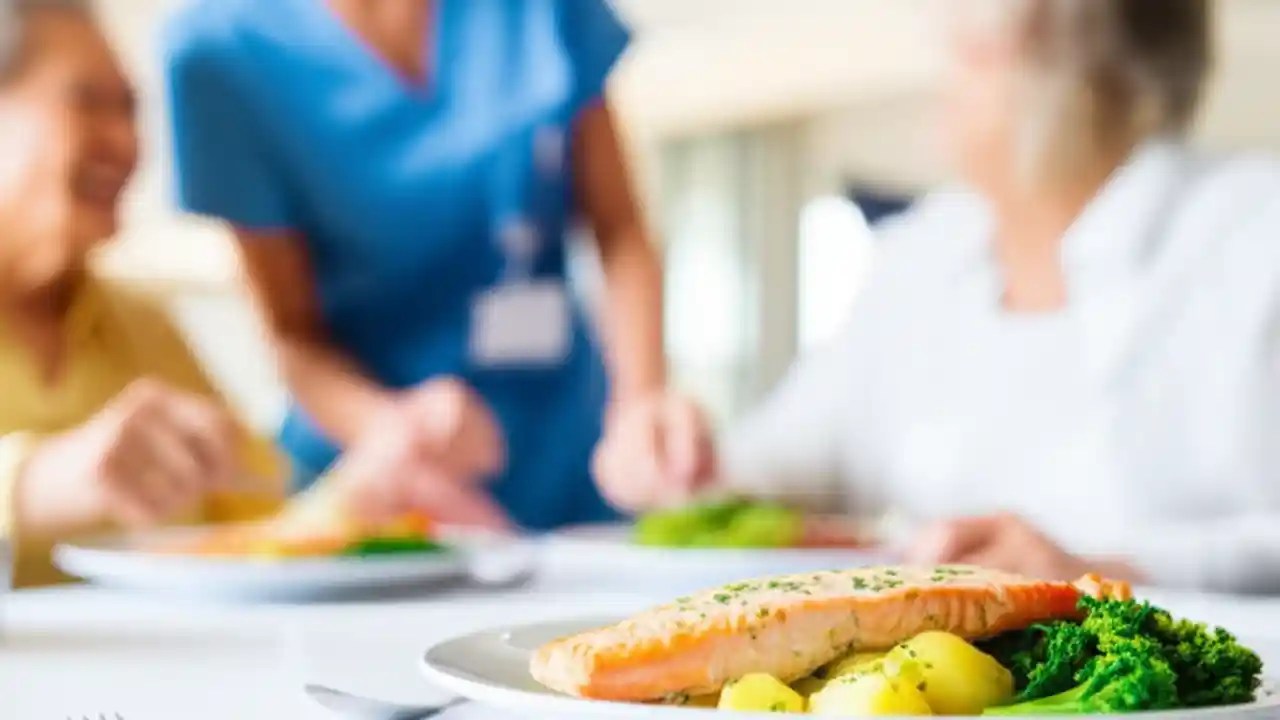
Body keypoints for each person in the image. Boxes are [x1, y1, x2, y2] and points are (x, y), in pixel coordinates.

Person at [596, 0, 1280, 593]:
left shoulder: (1255, 234)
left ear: (1087, 81)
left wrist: (1105, 572)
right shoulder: (927, 246)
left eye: (976, 54)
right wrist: (681, 457)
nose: (944, 79)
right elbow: (786, 457)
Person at [163, 0, 681, 531]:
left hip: (569, 457)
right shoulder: (222, 48)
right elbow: (292, 333)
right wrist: (394, 431)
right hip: (380, 490)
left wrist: (641, 401)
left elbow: (620, 230)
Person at [0, 0, 436, 588]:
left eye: (130, 109)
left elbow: (263, 526)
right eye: (88, 102)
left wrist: (373, 478)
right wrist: (31, 486)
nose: (125, 141)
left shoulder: (143, 329)